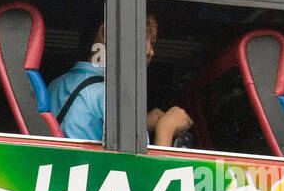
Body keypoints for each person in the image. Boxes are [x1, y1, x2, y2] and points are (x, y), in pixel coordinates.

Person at [47, 14, 191, 146]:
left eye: (152, 43)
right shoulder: (114, 96)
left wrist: (141, 126)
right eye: (143, 37)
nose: (150, 51)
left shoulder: (56, 85)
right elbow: (142, 171)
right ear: (105, 33)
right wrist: (166, 127)